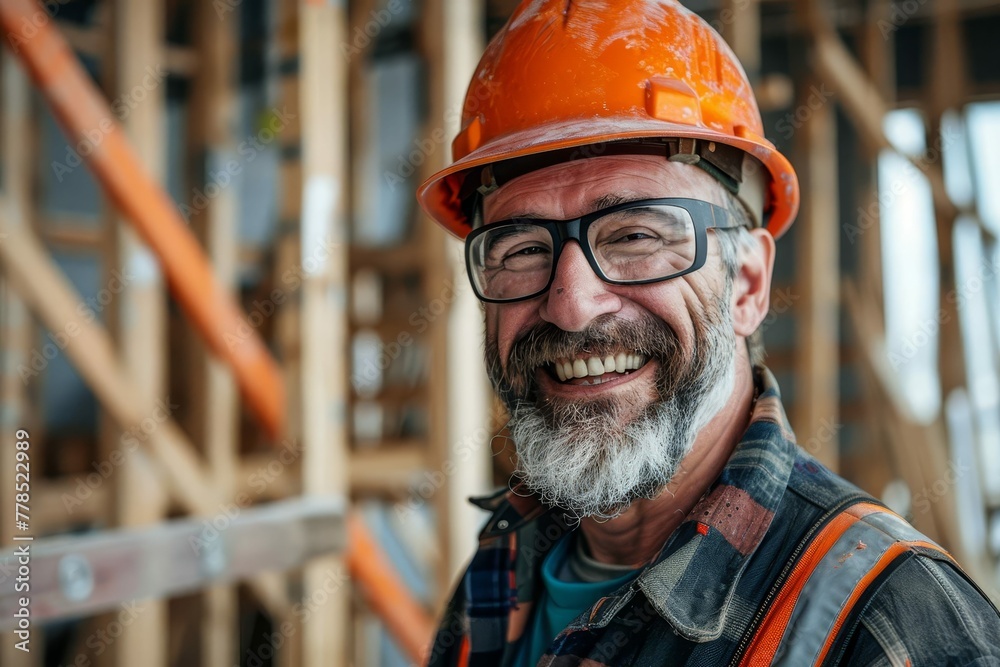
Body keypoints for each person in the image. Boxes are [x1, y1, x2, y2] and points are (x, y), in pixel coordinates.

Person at [415, 1, 1000, 665]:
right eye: (520, 248)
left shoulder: (891, 626)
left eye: (635, 235)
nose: (571, 305)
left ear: (747, 284)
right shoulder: (498, 575)